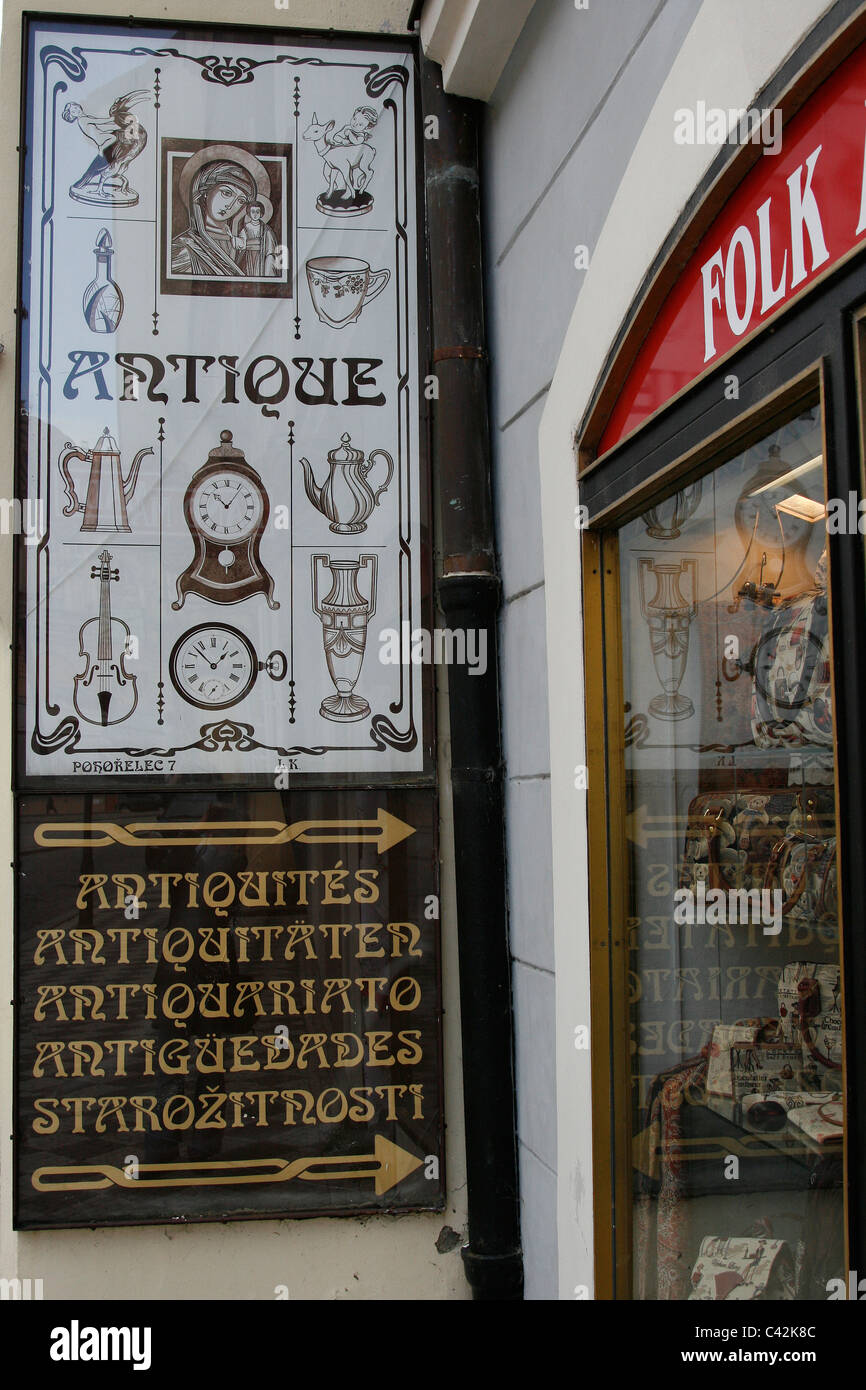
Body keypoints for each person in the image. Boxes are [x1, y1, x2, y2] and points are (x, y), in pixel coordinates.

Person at [170, 160, 257, 277]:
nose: (230, 205)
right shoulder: (184, 247)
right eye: (226, 193)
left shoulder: (244, 244)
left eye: (240, 201)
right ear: (206, 192)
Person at [63, 92, 148, 204]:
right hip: (104, 143)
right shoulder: (83, 120)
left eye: (75, 107)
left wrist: (117, 123)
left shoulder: (85, 117)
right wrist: (114, 119)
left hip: (107, 140)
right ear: (72, 116)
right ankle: (99, 189)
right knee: (102, 166)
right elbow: (100, 122)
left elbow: (102, 126)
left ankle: (102, 186)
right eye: (73, 111)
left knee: (112, 156)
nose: (76, 110)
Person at [235, 201, 278, 277]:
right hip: (248, 256)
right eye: (253, 212)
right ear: (249, 213)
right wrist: (234, 239)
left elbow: (270, 247)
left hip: (261, 255)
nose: (255, 214)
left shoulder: (266, 229)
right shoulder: (245, 228)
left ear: (261, 214)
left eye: (257, 212)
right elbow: (242, 243)